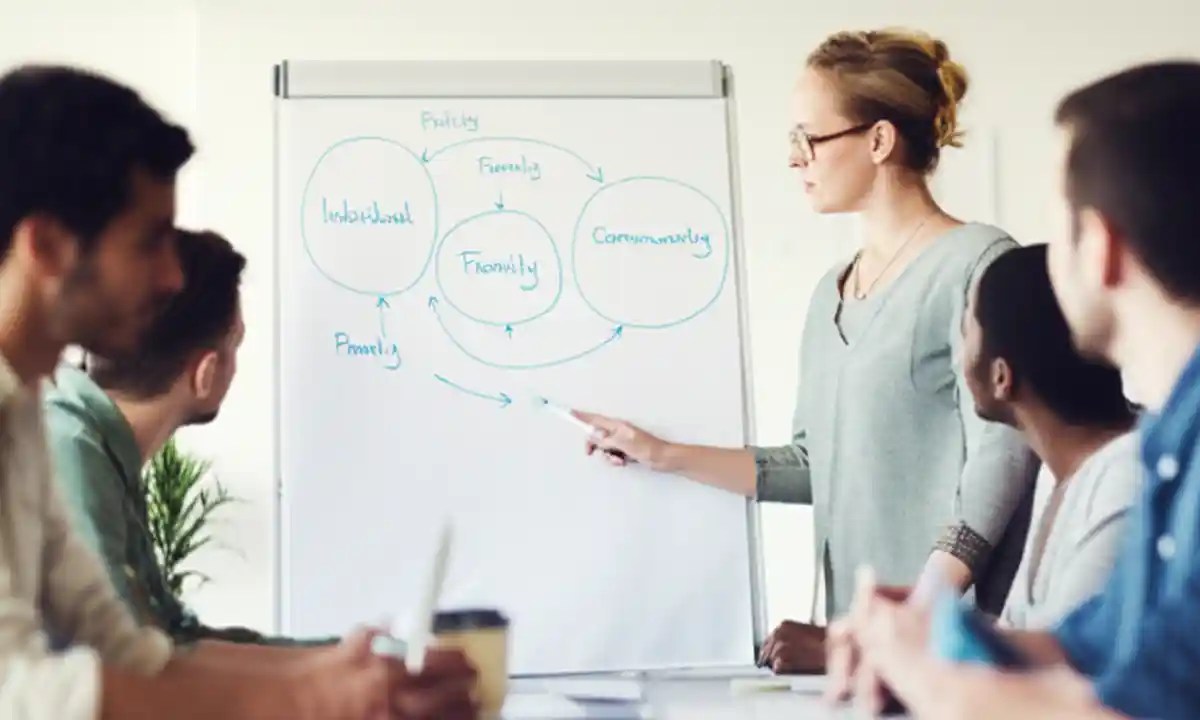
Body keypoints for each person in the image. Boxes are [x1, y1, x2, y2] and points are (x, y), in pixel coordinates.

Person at [0, 63, 475, 719]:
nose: (172, 277)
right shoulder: (49, 431)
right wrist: (317, 693)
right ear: (48, 247)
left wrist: (343, 673)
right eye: (150, 244)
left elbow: (129, 651)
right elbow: (23, 692)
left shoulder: (24, 416)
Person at [573, 27, 1038, 674]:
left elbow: (1005, 455)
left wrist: (915, 615)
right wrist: (662, 454)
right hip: (858, 653)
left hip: (947, 656)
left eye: (808, 139)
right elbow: (813, 465)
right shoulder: (832, 295)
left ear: (878, 140)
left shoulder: (978, 264)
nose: (795, 160)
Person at [833, 59, 1200, 720]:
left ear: (1100, 246)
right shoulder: (1186, 422)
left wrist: (940, 686)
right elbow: (1103, 644)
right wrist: (940, 637)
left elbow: (1170, 703)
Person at [45, 228, 331, 648]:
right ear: (206, 373)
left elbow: (176, 640)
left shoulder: (94, 445)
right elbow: (126, 675)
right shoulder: (69, 453)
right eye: (236, 343)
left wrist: (340, 660)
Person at [960, 243, 1139, 631]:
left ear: (1001, 376)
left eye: (967, 332)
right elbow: (1018, 638)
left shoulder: (1126, 477)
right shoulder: (1056, 471)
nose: (960, 356)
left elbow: (1057, 659)